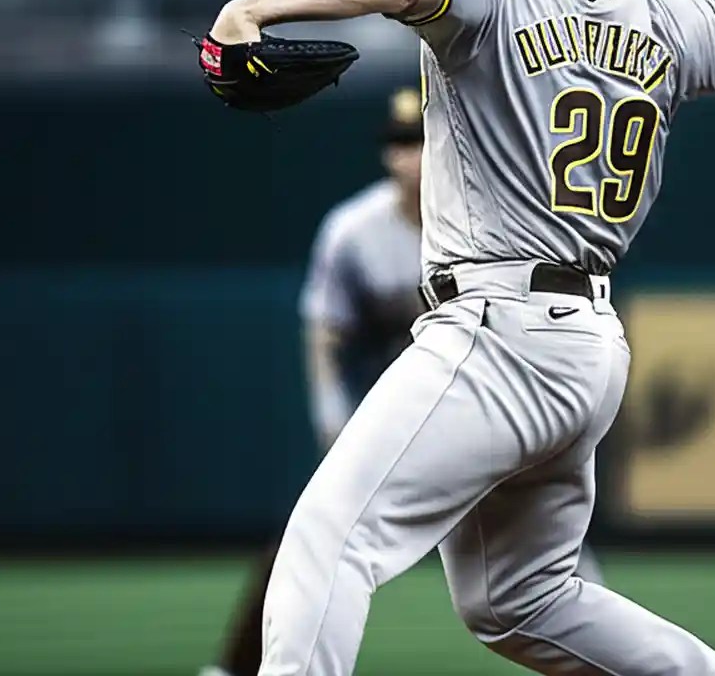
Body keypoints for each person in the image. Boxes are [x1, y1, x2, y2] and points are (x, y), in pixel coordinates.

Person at [203, 0, 715, 674]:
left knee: (327, 538)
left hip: (498, 327)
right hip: (587, 343)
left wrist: (250, 9)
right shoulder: (667, 20)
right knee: (518, 601)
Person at [201, 87, 606, 676]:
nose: (409, 157)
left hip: (490, 398)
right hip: (397, 403)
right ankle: (232, 668)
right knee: (311, 536)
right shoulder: (354, 231)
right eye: (398, 144)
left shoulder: (490, 221)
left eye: (419, 141)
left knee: (536, 571)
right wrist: (330, 411)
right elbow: (324, 330)